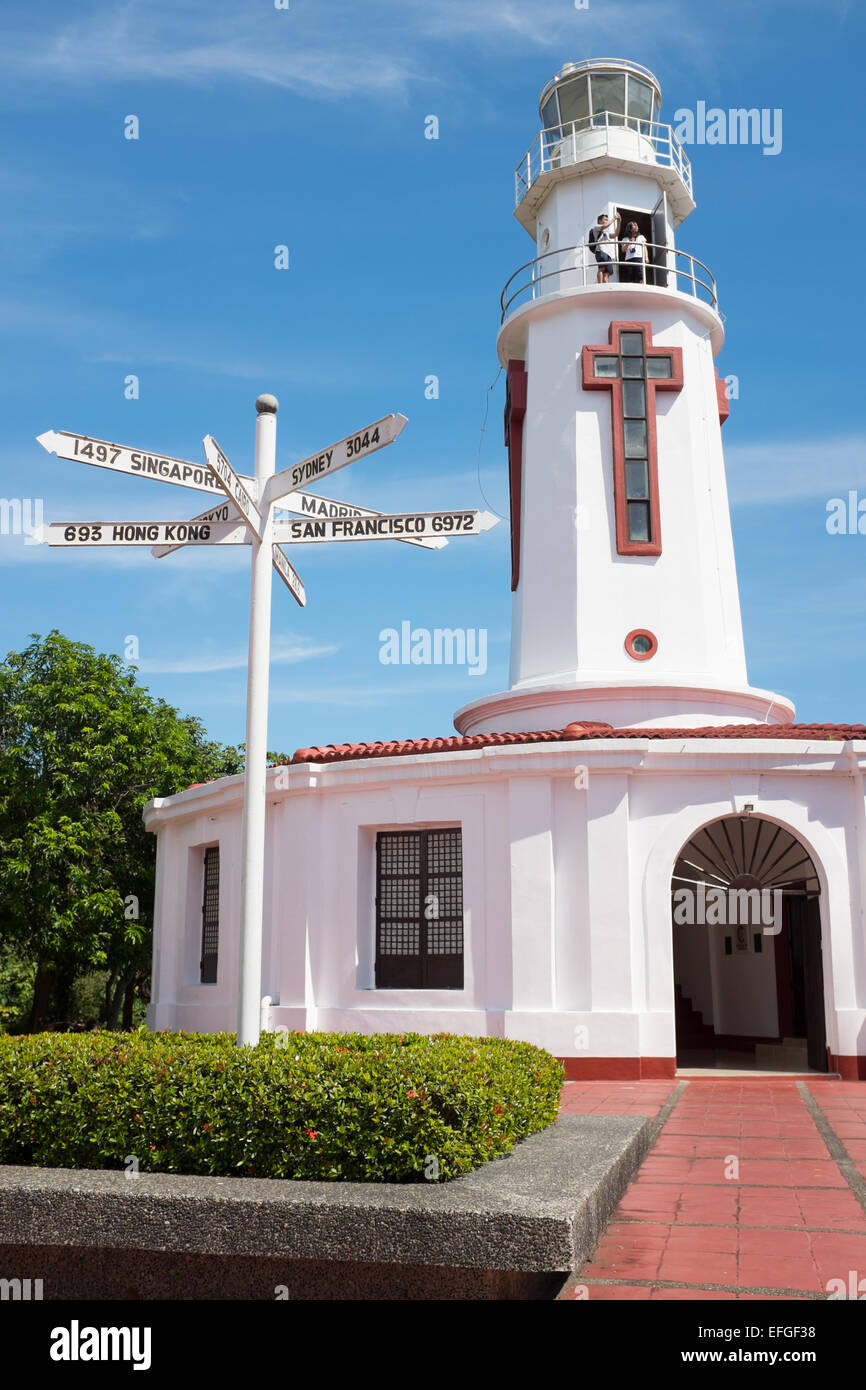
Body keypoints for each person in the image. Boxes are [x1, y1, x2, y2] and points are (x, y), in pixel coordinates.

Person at [588, 210, 621, 284]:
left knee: (607, 273)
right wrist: (614, 218)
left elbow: (616, 234)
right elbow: (603, 226)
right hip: (600, 251)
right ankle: (600, 285)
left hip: (608, 254)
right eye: (605, 219)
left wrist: (619, 222)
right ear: (599, 221)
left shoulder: (605, 233)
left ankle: (606, 285)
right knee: (602, 269)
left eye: (607, 219)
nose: (606, 221)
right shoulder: (596, 228)